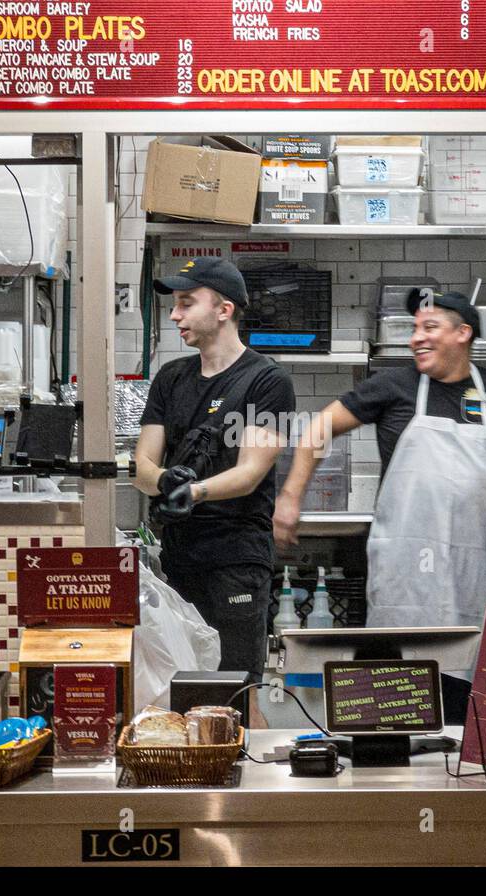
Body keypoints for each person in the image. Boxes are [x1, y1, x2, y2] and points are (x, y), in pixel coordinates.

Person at [273, 288, 486, 720]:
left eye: (430, 327)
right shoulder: (394, 386)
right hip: (404, 568)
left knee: (465, 689)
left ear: (463, 333)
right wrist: (290, 496)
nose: (416, 338)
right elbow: (316, 431)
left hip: (470, 566)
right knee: (394, 690)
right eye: (414, 329)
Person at [133, 257, 296, 711]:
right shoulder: (171, 378)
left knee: (236, 693)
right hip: (181, 560)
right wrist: (166, 479)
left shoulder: (267, 380)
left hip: (236, 558)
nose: (174, 314)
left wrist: (195, 491)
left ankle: (244, 779)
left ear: (224, 310)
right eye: (174, 305)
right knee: (186, 691)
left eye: (186, 303)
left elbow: (250, 473)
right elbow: (141, 465)